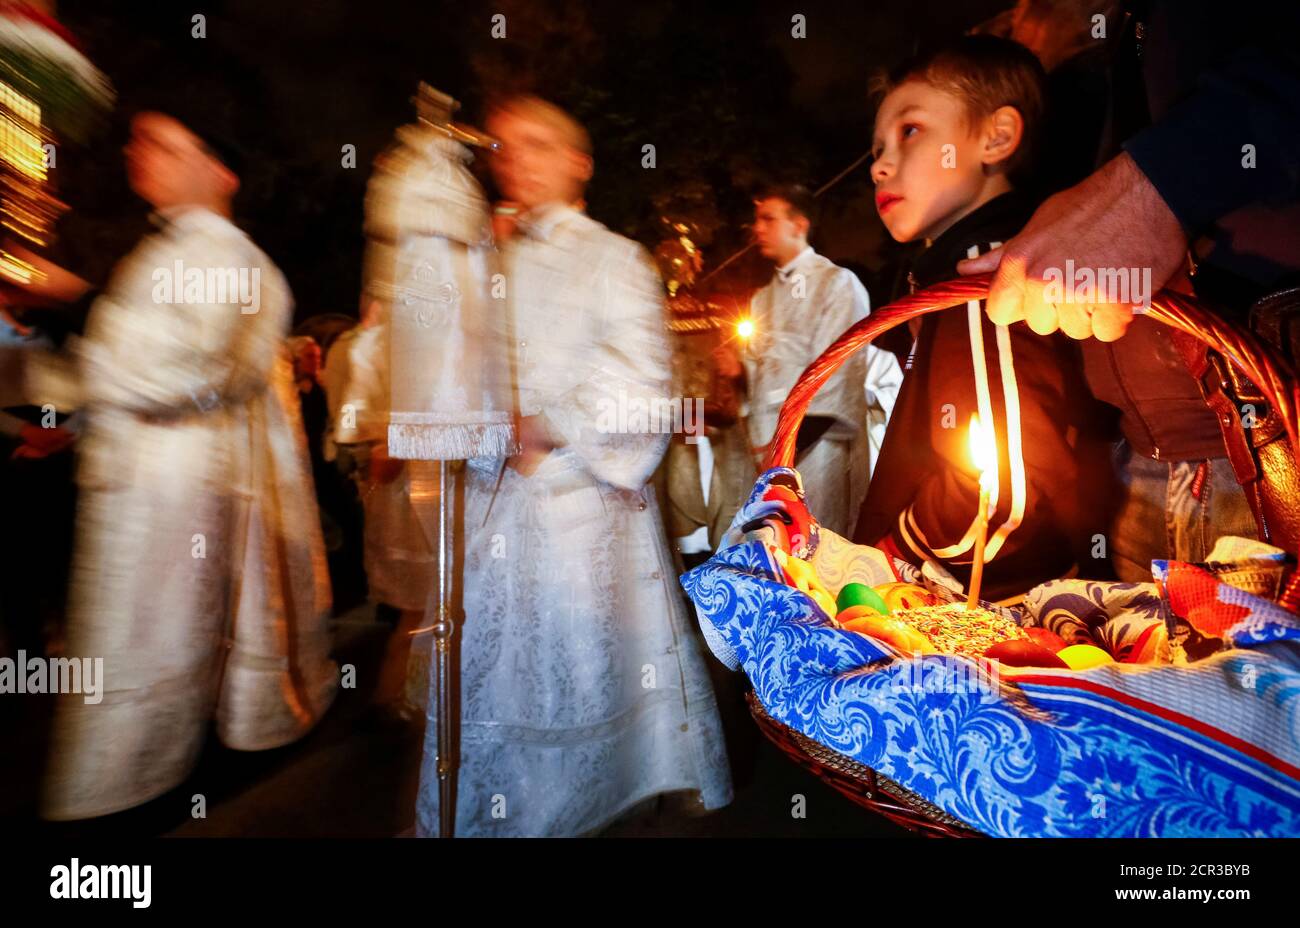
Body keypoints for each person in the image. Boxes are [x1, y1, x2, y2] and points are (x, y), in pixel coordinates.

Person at [414, 95, 732, 837]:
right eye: (505, 145)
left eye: (535, 142)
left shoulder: (613, 257)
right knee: (495, 674)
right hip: (493, 507)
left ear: (577, 163)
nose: (513, 157)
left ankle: (581, 806)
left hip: (578, 508)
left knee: (580, 669)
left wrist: (547, 424)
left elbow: (643, 384)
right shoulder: (484, 256)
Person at [12, 108, 336, 819]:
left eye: (163, 142)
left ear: (220, 169)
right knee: (125, 650)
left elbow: (183, 370)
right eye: (136, 139)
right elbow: (112, 369)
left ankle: (129, 805)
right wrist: (48, 389)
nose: (138, 152)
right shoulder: (158, 253)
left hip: (174, 494)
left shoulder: (229, 258)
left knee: (151, 651)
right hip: (132, 484)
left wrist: (77, 302)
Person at [960, 1, 1300, 579]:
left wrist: (1158, 184)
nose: (1017, 17)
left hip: (1272, 455)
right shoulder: (1119, 49)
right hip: (1135, 466)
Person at [856, 35, 1112, 601]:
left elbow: (1000, 491)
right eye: (877, 149)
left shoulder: (987, 275)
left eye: (910, 131)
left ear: (996, 137)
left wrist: (893, 555)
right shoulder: (951, 274)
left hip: (992, 606)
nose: (881, 166)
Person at [714, 184, 901, 538]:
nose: (758, 229)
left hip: (816, 447)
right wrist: (740, 372)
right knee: (770, 550)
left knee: (814, 548)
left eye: (768, 219)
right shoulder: (762, 298)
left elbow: (837, 378)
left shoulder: (837, 283)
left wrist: (784, 452)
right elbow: (761, 375)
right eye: (756, 220)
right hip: (766, 448)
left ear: (799, 226)